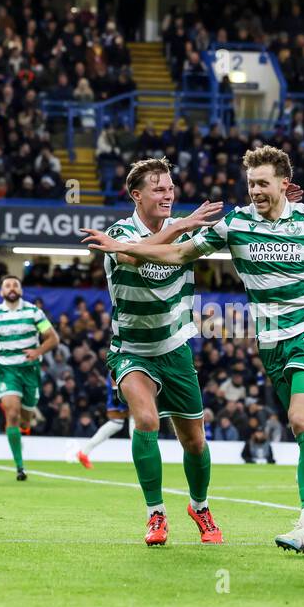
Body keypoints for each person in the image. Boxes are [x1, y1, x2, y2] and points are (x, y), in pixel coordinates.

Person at [83, 145, 304, 554]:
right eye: (250, 184)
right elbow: (176, 252)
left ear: (285, 184)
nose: (256, 191)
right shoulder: (235, 224)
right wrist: (123, 247)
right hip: (268, 340)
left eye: (263, 183)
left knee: (300, 419)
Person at [87, 158, 224, 544]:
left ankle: (199, 507)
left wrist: (280, 205)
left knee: (194, 441)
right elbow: (131, 255)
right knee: (145, 420)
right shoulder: (119, 232)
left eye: (170, 188)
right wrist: (181, 225)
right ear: (137, 195)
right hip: (130, 349)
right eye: (159, 189)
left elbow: (233, 232)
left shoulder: (186, 231)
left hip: (175, 347)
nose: (168, 195)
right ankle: (155, 515)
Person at [0, 275, 58, 481]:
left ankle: (25, 425)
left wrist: (38, 351)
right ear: (1, 292)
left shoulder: (33, 312)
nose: (11, 288)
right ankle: (20, 467)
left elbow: (52, 338)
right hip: (7, 370)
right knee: (11, 413)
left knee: (25, 417)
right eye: (7, 285)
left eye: (15, 285)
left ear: (21, 290)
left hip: (30, 370)